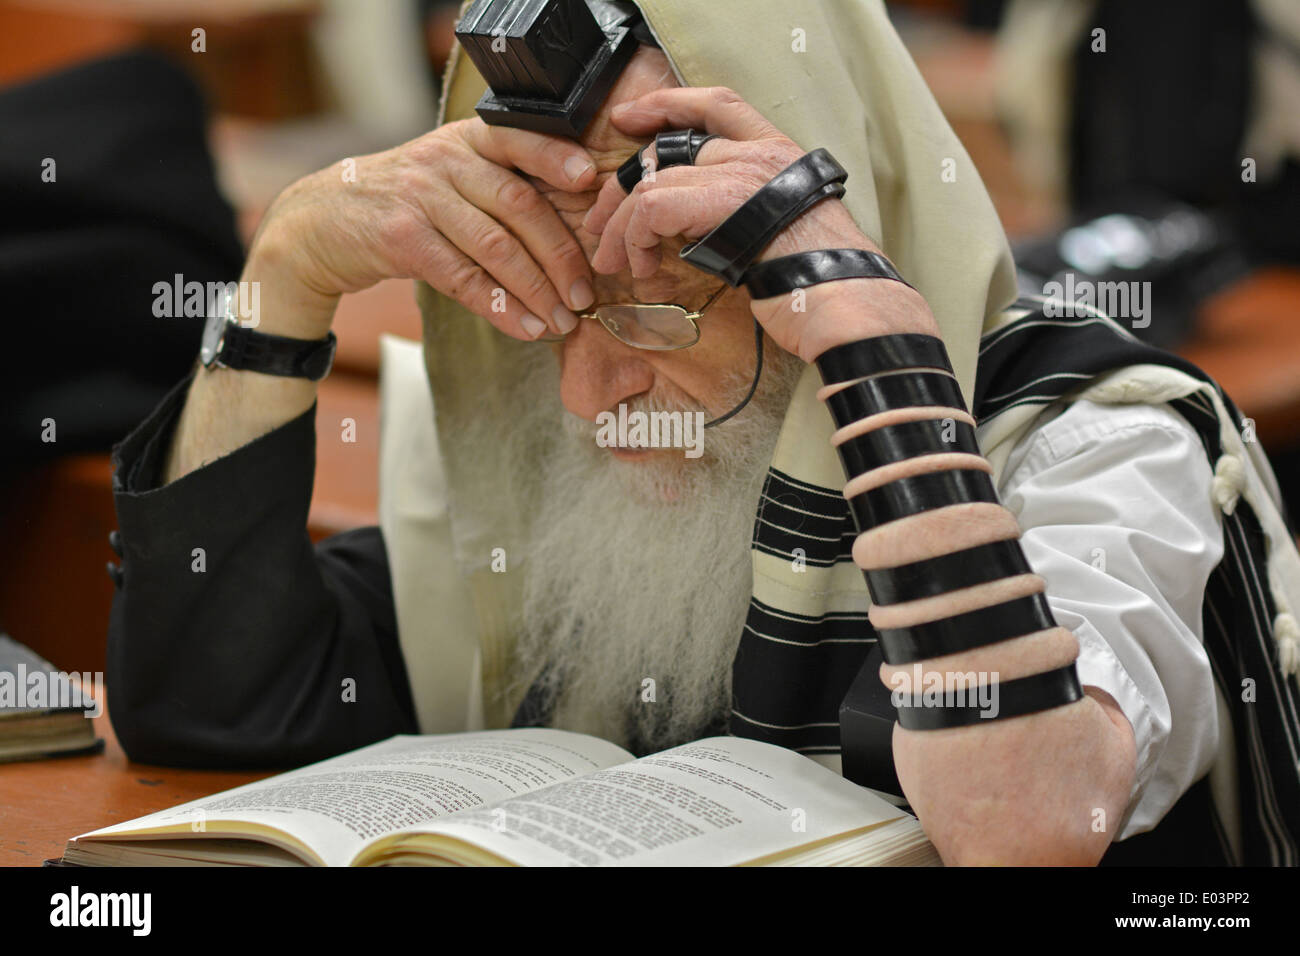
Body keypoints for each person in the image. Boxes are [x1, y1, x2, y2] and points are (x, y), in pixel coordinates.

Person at [105, 0, 1300, 865]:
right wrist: (283, 280)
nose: (586, 395)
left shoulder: (1094, 446)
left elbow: (1031, 827)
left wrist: (867, 342)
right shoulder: (529, 448)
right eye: (548, 307)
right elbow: (215, 707)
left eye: (662, 301)